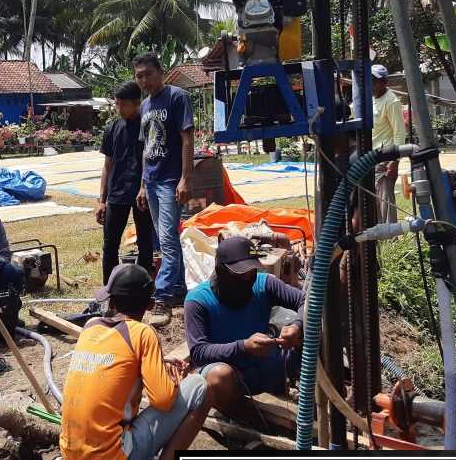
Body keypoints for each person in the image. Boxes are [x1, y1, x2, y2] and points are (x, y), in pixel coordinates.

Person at [60, 264, 213, 460]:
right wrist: (172, 378)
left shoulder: (91, 327)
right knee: (200, 387)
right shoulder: (143, 333)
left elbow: (116, 361)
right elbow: (163, 401)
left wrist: (159, 361)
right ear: (151, 305)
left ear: (111, 303)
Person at [187, 236, 306, 429]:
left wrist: (297, 327)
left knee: (313, 329)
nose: (247, 279)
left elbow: (306, 300)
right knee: (217, 378)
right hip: (234, 378)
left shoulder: (264, 283)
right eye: (240, 275)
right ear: (221, 269)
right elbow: (198, 352)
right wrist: (243, 347)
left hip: (269, 365)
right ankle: (252, 421)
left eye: (251, 273)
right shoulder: (198, 300)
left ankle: (312, 395)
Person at [134, 53, 194, 328]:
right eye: (139, 76)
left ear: (161, 72)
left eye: (148, 73)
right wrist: (143, 185)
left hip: (171, 180)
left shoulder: (177, 97)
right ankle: (179, 290)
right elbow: (146, 148)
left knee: (167, 240)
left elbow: (187, 140)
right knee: (167, 239)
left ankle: (164, 298)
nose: (144, 80)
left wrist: (185, 179)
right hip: (153, 180)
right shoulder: (145, 105)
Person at [98, 81, 154, 283]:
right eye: (117, 104)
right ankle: (109, 288)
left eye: (124, 105)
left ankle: (144, 286)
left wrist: (143, 187)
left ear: (137, 103)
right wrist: (101, 200)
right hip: (117, 192)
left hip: (142, 193)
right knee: (110, 244)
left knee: (145, 242)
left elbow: (148, 159)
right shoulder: (112, 128)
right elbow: (107, 165)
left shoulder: (147, 126)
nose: (119, 109)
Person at [370, 64, 406, 224]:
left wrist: (394, 161)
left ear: (383, 82)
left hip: (385, 158)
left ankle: (390, 237)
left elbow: (399, 132)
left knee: (385, 200)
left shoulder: (391, 101)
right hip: (371, 157)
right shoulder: (371, 100)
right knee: (374, 201)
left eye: (374, 81)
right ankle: (379, 237)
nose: (371, 85)